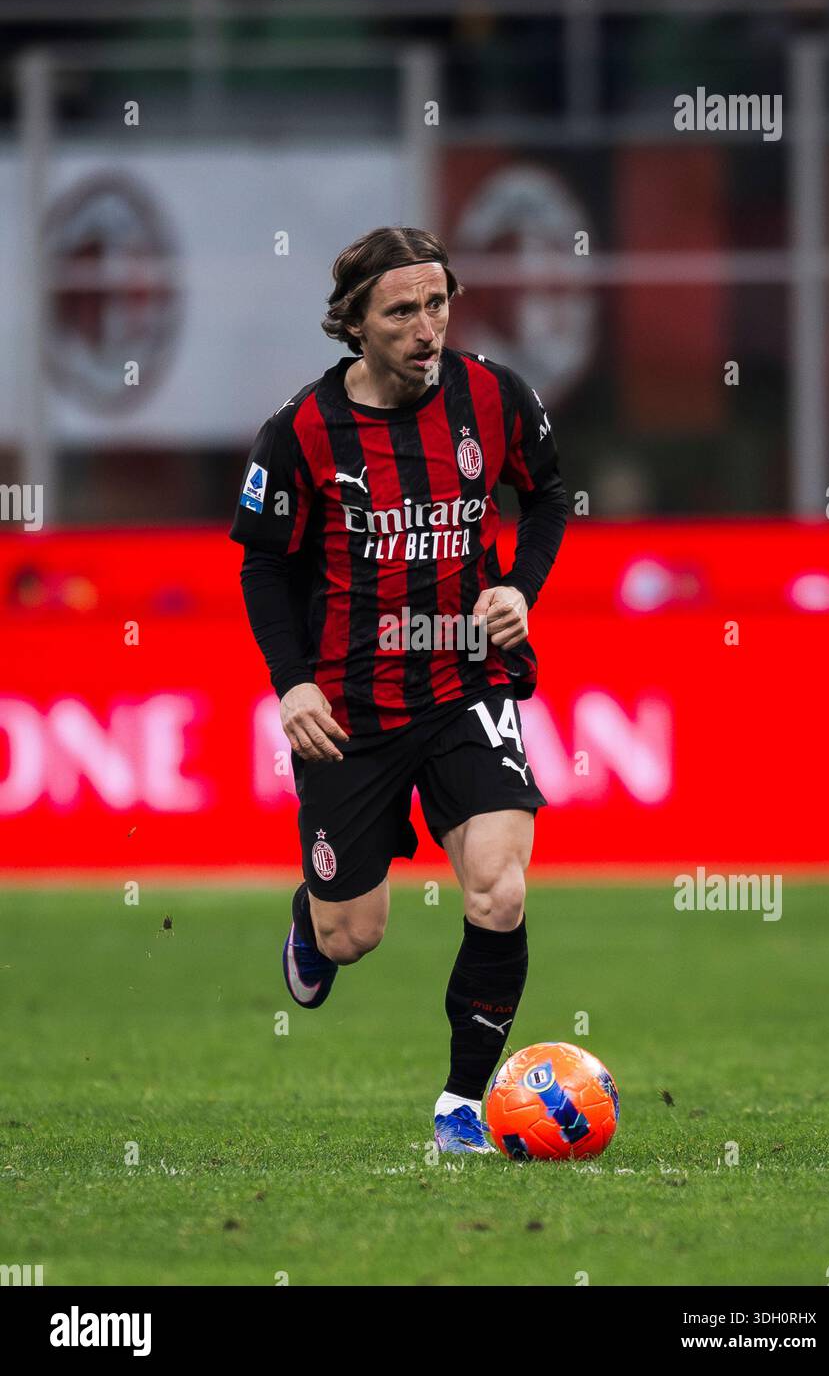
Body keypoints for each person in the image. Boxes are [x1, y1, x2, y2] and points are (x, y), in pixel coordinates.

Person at [230, 226, 568, 1152]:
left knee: (499, 890)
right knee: (354, 937)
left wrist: (517, 590)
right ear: (355, 324)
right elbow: (263, 567)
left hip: (468, 682)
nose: (428, 328)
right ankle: (313, 916)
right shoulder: (300, 431)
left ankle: (463, 1103)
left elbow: (546, 497)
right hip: (350, 710)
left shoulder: (495, 396)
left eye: (438, 304)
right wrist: (291, 686)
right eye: (402, 311)